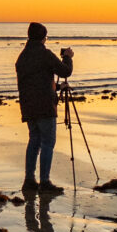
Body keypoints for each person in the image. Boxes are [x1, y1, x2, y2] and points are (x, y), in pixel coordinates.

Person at [15, 22, 73, 194]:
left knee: (34, 140)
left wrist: (56, 87)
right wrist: (68, 57)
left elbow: (34, 80)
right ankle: (45, 182)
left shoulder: (22, 56)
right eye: (46, 37)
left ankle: (29, 180)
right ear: (43, 37)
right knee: (48, 142)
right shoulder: (44, 54)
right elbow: (65, 71)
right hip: (45, 107)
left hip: (28, 106)